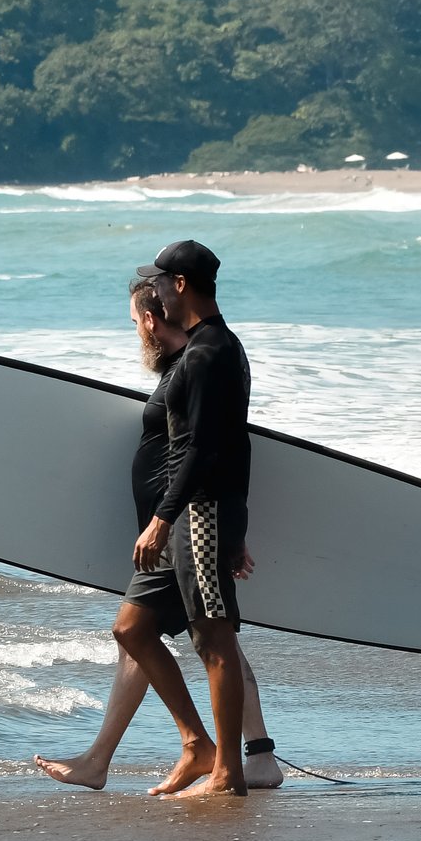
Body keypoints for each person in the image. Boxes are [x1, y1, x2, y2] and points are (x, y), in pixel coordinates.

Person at [119, 239, 282, 794]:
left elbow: (206, 448)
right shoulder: (209, 349)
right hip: (197, 516)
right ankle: (197, 747)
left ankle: (228, 773)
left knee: (213, 640)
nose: (158, 293)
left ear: (181, 285)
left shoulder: (209, 353)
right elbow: (238, 447)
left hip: (196, 515)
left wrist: (164, 519)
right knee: (132, 628)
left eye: (162, 282)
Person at [34, 278, 197, 790]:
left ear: (151, 319)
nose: (135, 332)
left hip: (173, 531)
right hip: (165, 530)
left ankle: (205, 748)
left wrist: (163, 520)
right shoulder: (184, 368)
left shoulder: (192, 368)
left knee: (141, 633)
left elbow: (200, 453)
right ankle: (100, 759)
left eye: (134, 322)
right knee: (159, 640)